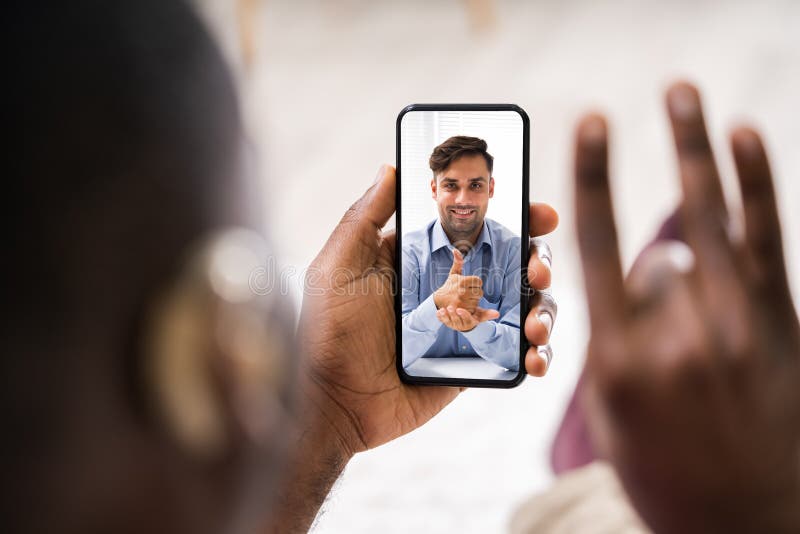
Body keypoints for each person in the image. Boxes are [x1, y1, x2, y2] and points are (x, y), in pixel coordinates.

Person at [3, 2, 558, 533]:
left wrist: (329, 409)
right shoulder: (412, 256)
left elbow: (498, 333)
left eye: (476, 185)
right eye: (250, 290)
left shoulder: (505, 249)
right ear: (220, 371)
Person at [402, 136, 526, 371]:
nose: (463, 200)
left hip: (493, 388)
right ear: (434, 189)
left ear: (490, 188)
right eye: (451, 185)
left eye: (475, 186)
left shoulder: (513, 251)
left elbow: (519, 352)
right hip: (425, 385)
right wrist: (437, 302)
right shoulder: (408, 252)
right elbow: (397, 350)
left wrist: (475, 328)